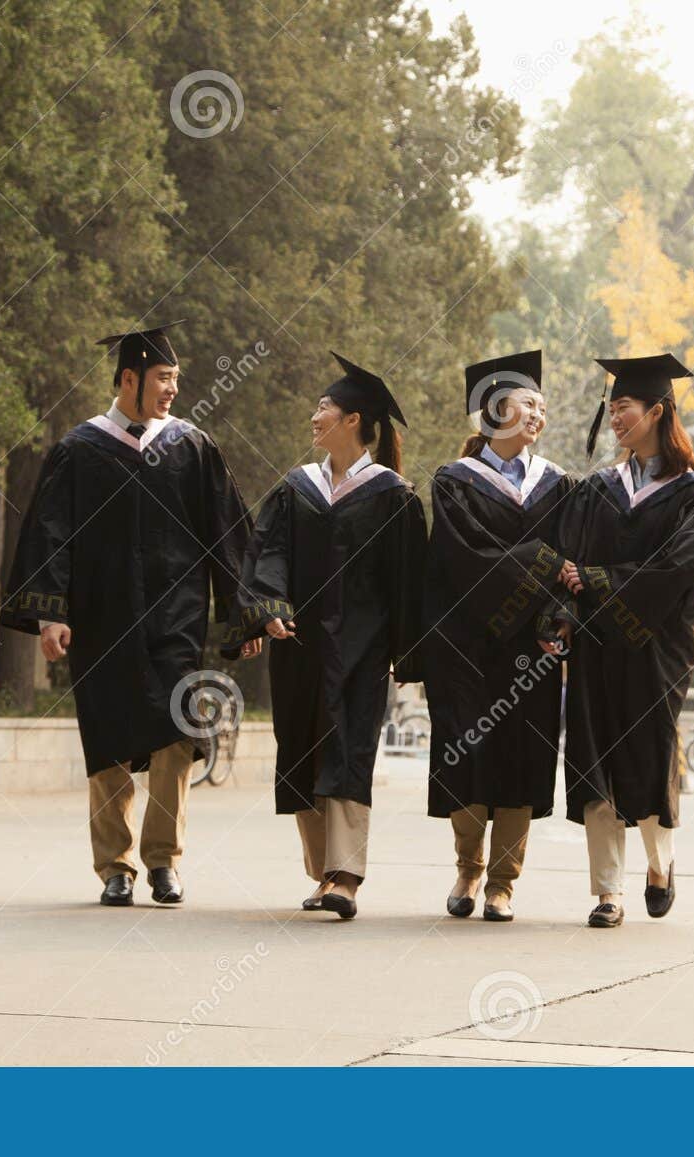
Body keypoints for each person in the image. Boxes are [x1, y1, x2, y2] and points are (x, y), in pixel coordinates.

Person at [0, 319, 260, 909]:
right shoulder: (79, 449)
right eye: (163, 378)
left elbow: (228, 533)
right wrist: (51, 613)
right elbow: (51, 533)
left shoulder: (192, 447)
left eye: (175, 379)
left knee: (178, 734)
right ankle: (114, 866)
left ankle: (163, 860)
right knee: (109, 738)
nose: (172, 389)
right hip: (101, 616)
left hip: (176, 617)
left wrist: (244, 615)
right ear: (127, 378)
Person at [226, 353, 427, 921]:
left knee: (348, 753)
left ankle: (345, 876)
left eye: (324, 407)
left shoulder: (394, 497)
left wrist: (405, 652)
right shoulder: (296, 489)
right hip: (300, 646)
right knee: (304, 753)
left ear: (353, 421)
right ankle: (321, 872)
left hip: (363, 653)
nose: (314, 416)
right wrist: (266, 610)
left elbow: (409, 583)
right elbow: (266, 554)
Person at [554, 352, 694, 929]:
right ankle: (607, 892)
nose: (614, 417)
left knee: (647, 757)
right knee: (594, 759)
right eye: (612, 407)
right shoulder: (597, 490)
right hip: (599, 644)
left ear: (657, 410)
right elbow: (569, 558)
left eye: (623, 407)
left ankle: (659, 863)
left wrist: (598, 580)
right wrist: (563, 614)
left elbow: (679, 569)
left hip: (654, 649)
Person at [422, 349, 576, 923]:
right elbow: (462, 560)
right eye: (528, 403)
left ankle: (503, 882)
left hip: (530, 646)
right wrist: (541, 559)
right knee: (467, 751)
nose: (539, 413)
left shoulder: (558, 485)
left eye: (542, 405)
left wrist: (559, 614)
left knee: (521, 759)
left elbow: (573, 563)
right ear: (495, 410)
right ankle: (468, 865)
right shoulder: (454, 482)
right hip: (466, 644)